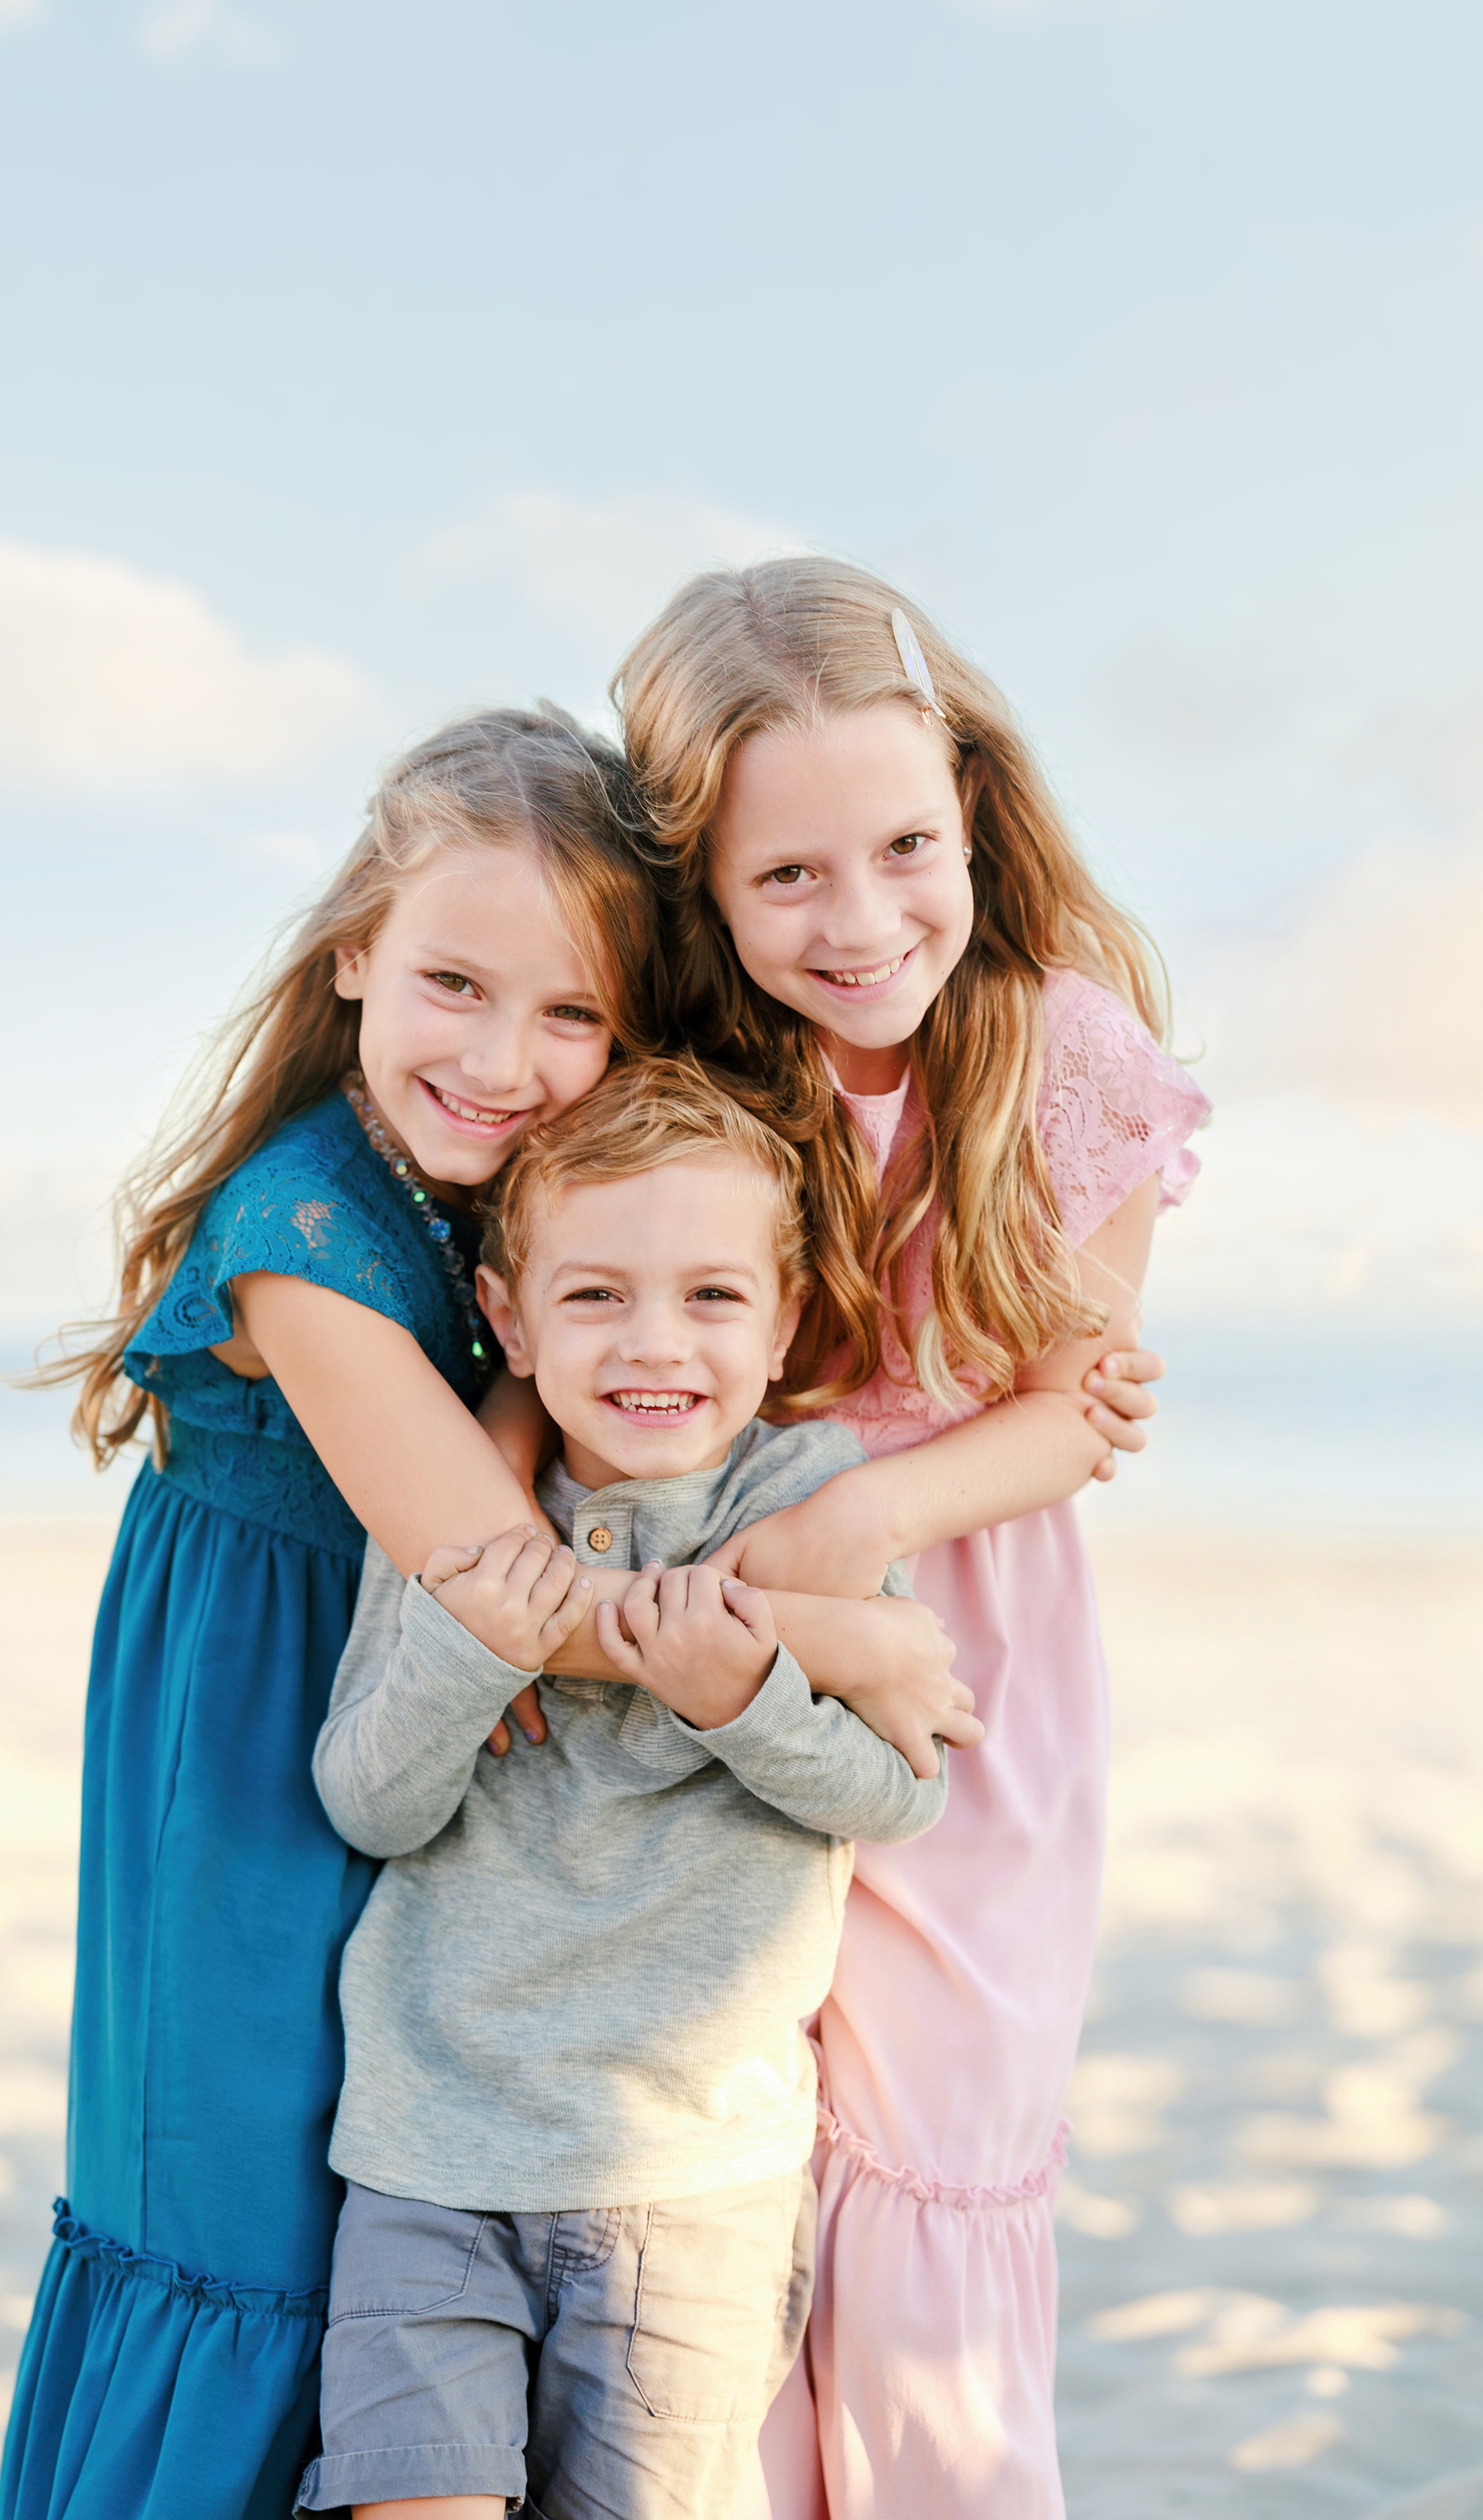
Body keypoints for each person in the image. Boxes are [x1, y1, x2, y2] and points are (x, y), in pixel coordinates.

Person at [0, 706, 976, 2520]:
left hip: (441, 1702)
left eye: (571, 1015)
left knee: (361, 2226)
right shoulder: (299, 1228)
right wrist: (843, 1638)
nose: (505, 1059)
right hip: (257, 1715)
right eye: (452, 982)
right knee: (233, 2201)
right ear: (352, 947)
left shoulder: (516, 1202)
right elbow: (490, 1570)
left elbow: (543, 1432)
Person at [613, 559, 1211, 2519]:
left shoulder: (1063, 1049)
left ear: (974, 809)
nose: (863, 922)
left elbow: (1067, 1405)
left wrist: (865, 1509)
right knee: (731, 2166)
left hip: (965, 1657)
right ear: (700, 882)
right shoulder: (677, 1071)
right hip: (715, 1638)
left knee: (931, 2150)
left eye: (904, 848)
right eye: (788, 878)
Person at [299, 1061, 946, 2520]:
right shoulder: (457, 1511)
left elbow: (895, 1796)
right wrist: (471, 1652)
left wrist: (744, 1697)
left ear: (783, 1323)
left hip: (691, 2177)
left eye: (713, 1298)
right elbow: (369, 1803)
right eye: (595, 1297)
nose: (656, 1343)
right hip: (430, 2153)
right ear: (511, 1320)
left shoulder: (804, 1510)